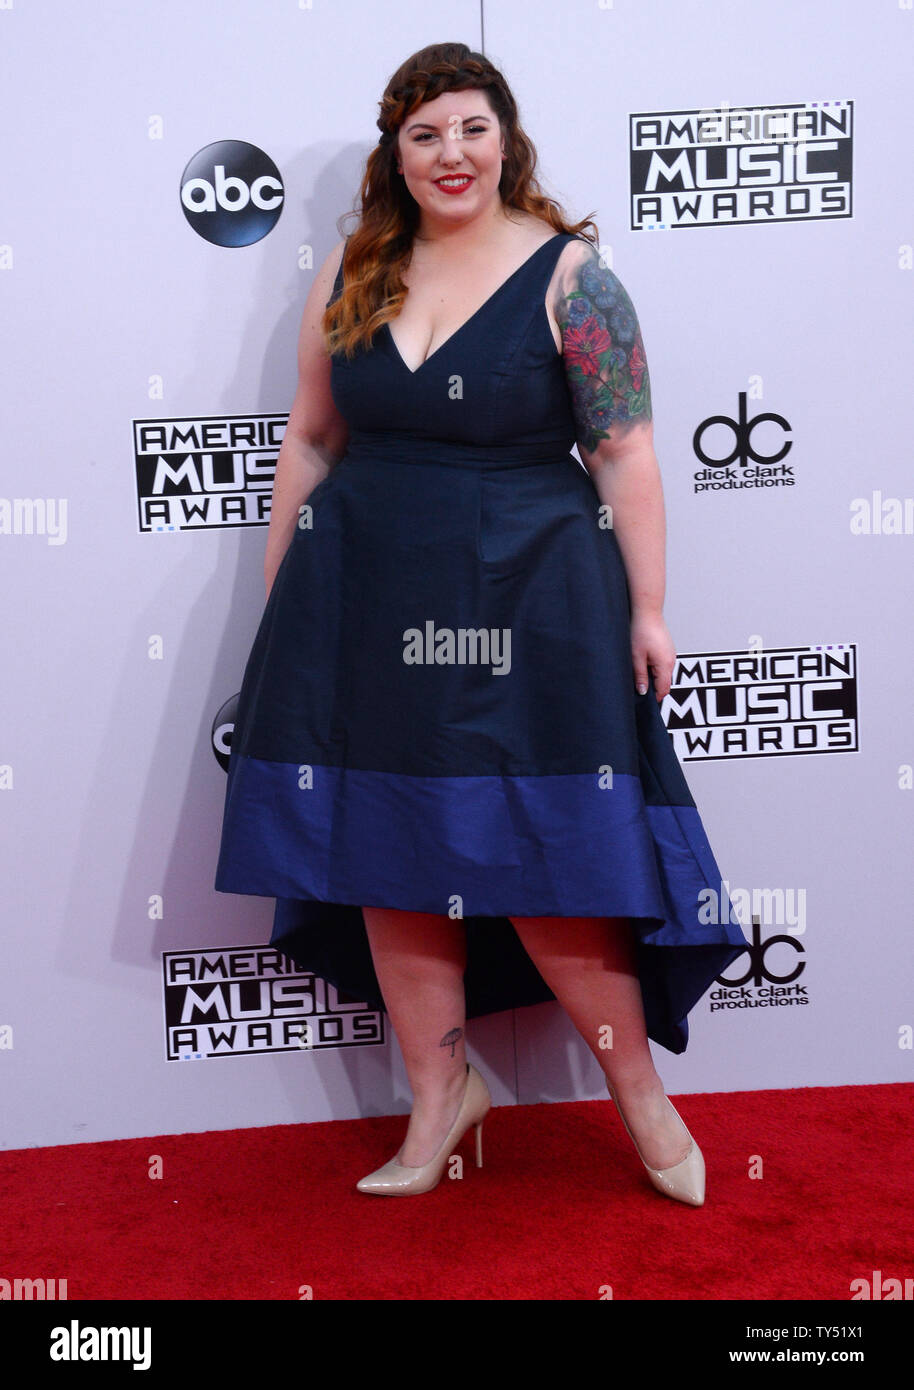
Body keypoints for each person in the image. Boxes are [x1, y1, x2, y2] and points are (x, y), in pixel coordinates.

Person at [214, 41, 749, 1207]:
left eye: (468, 127)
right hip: (360, 595)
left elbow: (622, 451)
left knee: (554, 855)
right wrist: (283, 599)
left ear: (504, 138)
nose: (448, 154)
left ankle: (641, 1102)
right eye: (423, 133)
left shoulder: (572, 278)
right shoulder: (353, 275)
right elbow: (310, 440)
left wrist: (649, 607)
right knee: (388, 854)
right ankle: (438, 1100)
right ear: (393, 153)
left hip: (532, 602)